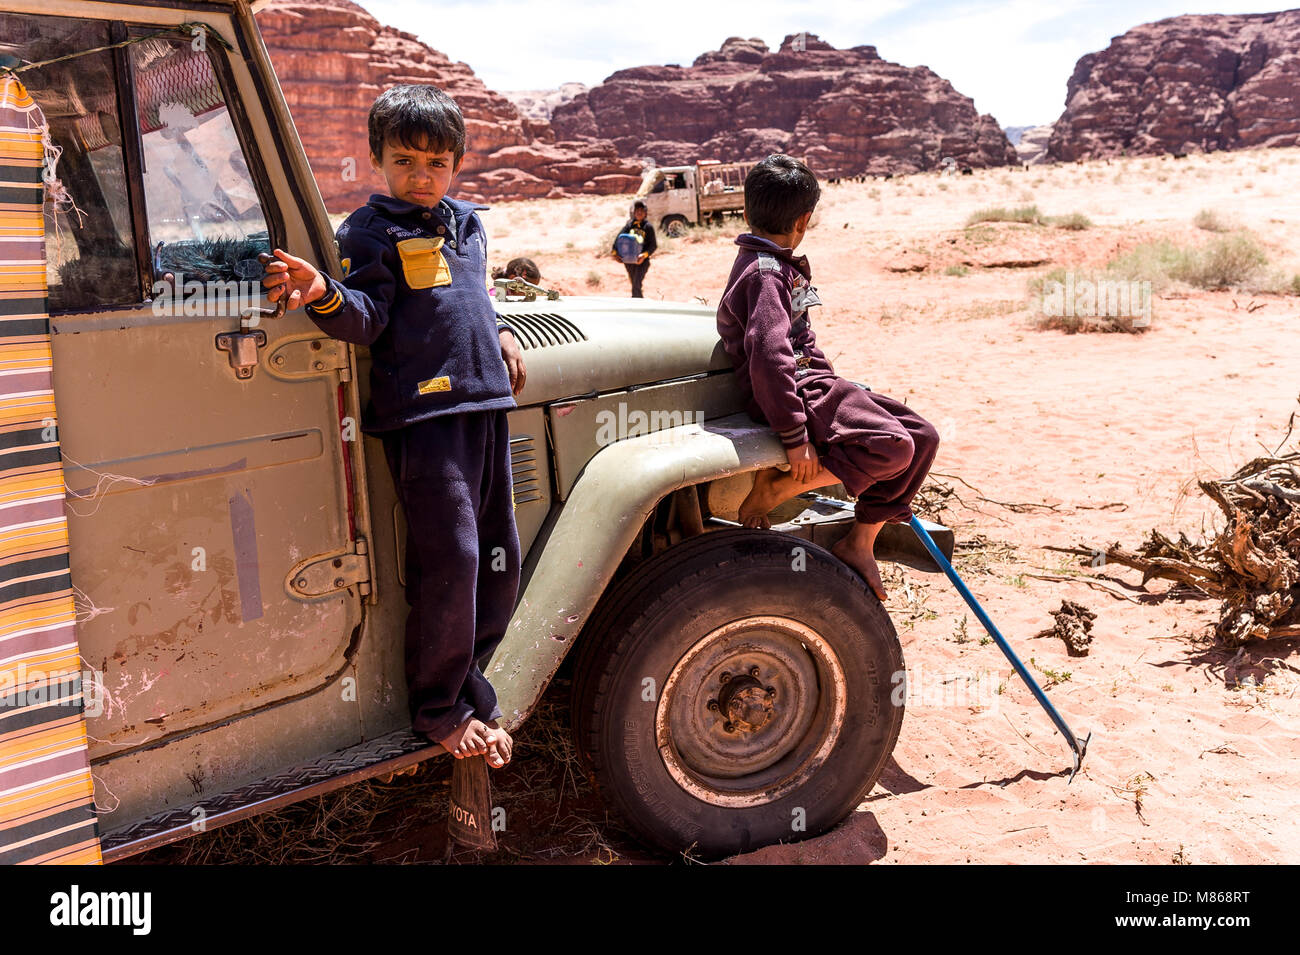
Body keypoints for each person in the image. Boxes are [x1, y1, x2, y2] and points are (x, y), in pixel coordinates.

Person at [261, 85, 526, 769]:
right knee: (454, 560)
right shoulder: (369, 232)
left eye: (437, 163)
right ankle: (439, 707)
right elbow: (367, 315)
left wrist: (501, 332)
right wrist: (321, 291)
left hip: (485, 408)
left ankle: (472, 684)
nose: (420, 176)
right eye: (405, 160)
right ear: (377, 157)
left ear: (458, 165)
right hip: (425, 419)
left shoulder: (467, 223)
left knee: (500, 561)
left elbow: (470, 296)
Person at [715, 154, 939, 600]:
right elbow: (769, 353)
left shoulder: (776, 265)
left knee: (923, 437)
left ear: (745, 211)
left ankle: (860, 543)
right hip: (794, 389)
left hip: (812, 380)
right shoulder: (764, 274)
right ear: (805, 220)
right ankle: (777, 486)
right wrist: (795, 437)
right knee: (893, 447)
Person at [611, 200, 656, 298]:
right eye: (637, 210)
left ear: (645, 213)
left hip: (642, 262)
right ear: (633, 212)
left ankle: (637, 307)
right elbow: (618, 239)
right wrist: (615, 253)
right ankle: (639, 304)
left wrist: (644, 256)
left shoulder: (648, 227)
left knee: (636, 285)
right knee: (635, 285)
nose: (639, 213)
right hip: (629, 261)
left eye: (641, 210)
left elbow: (653, 245)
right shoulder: (629, 225)